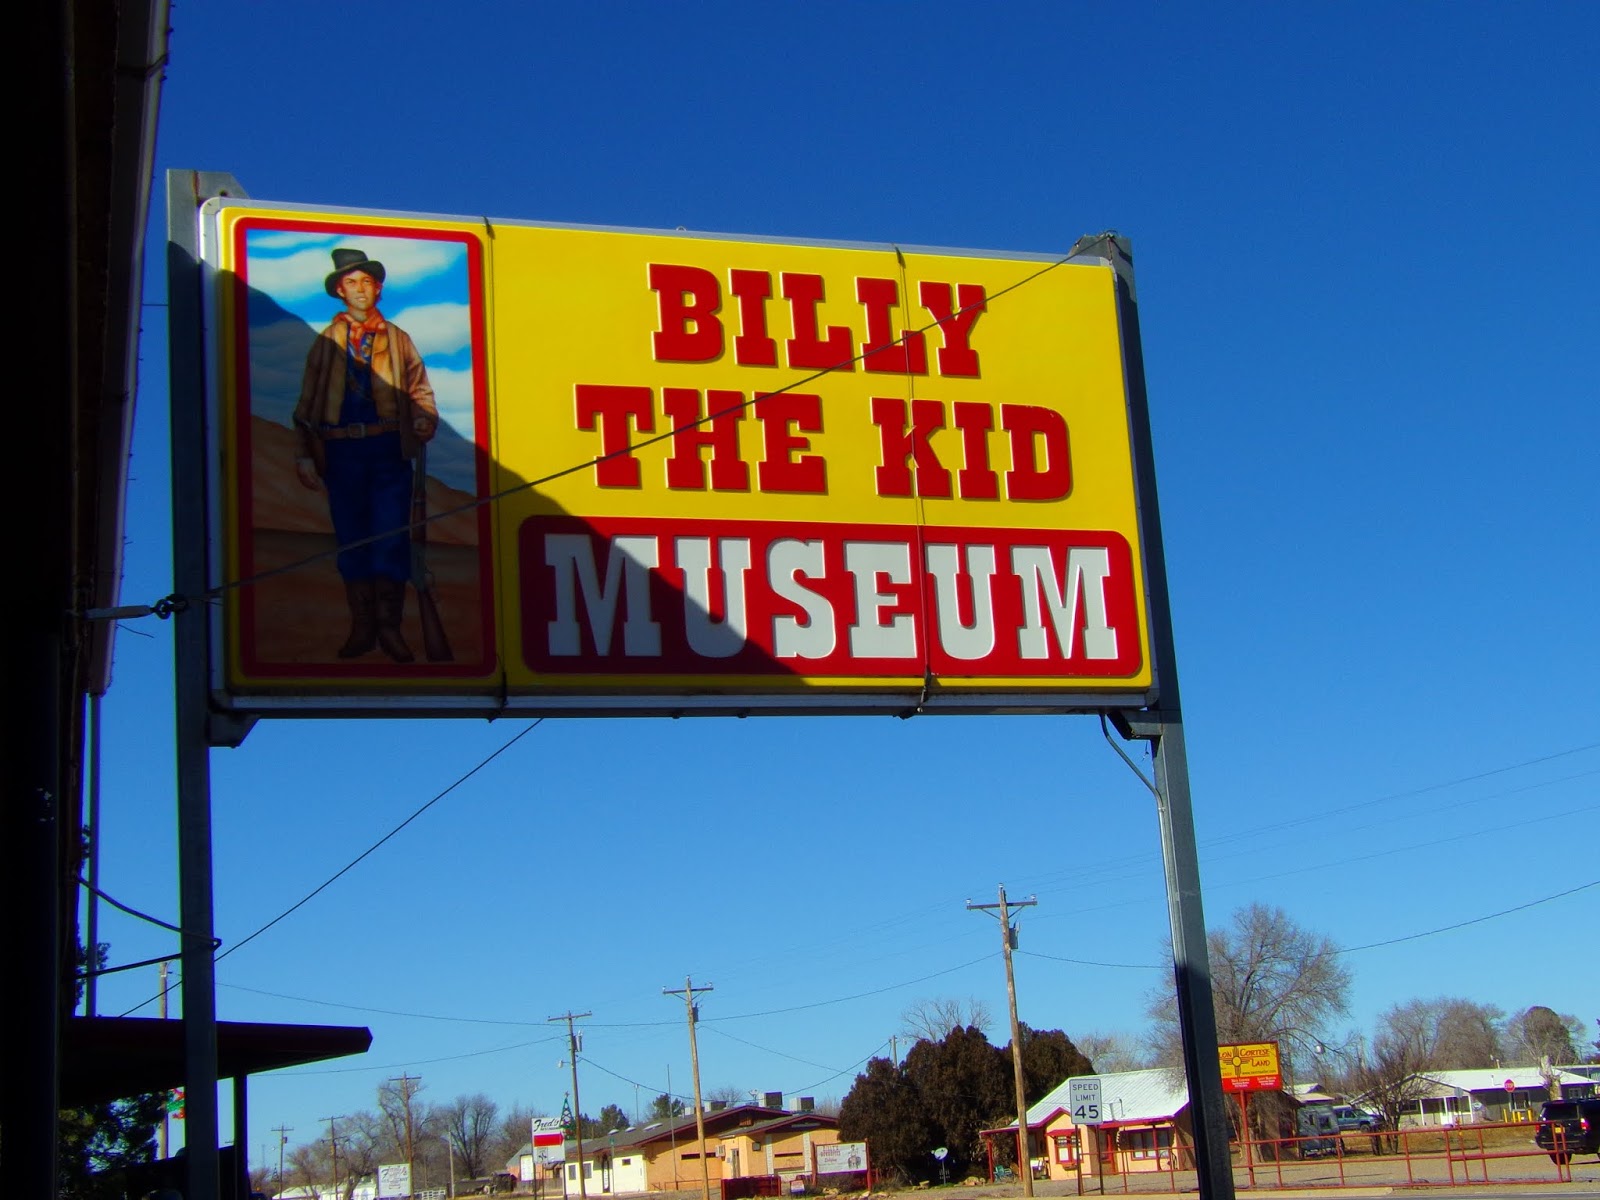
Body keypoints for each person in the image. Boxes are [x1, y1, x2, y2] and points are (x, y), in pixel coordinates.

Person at [293, 247, 439, 662]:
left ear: (378, 289)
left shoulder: (398, 339)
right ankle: (362, 627)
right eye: (351, 283)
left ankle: (390, 628)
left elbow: (419, 389)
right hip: (340, 450)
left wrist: (424, 420)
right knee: (352, 539)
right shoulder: (327, 342)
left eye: (367, 282)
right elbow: (307, 402)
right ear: (340, 291)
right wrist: (304, 454)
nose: (360, 289)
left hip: (388, 448)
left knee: (391, 537)